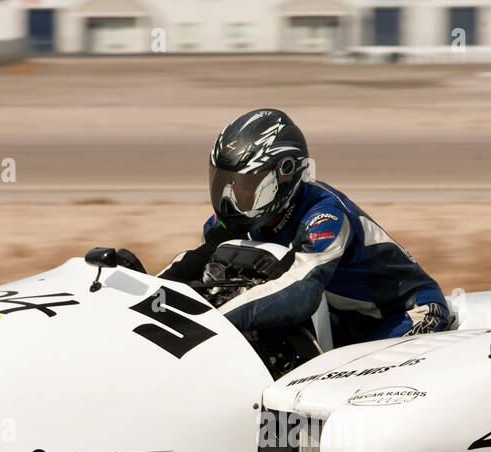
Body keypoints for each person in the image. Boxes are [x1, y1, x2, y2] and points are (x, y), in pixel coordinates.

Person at [159, 108, 451, 345]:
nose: (231, 199)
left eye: (245, 187)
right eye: (225, 184)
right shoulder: (239, 217)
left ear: (284, 175)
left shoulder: (324, 215)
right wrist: (146, 290)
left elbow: (301, 291)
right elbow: (199, 259)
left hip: (408, 314)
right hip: (342, 319)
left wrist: (210, 324)